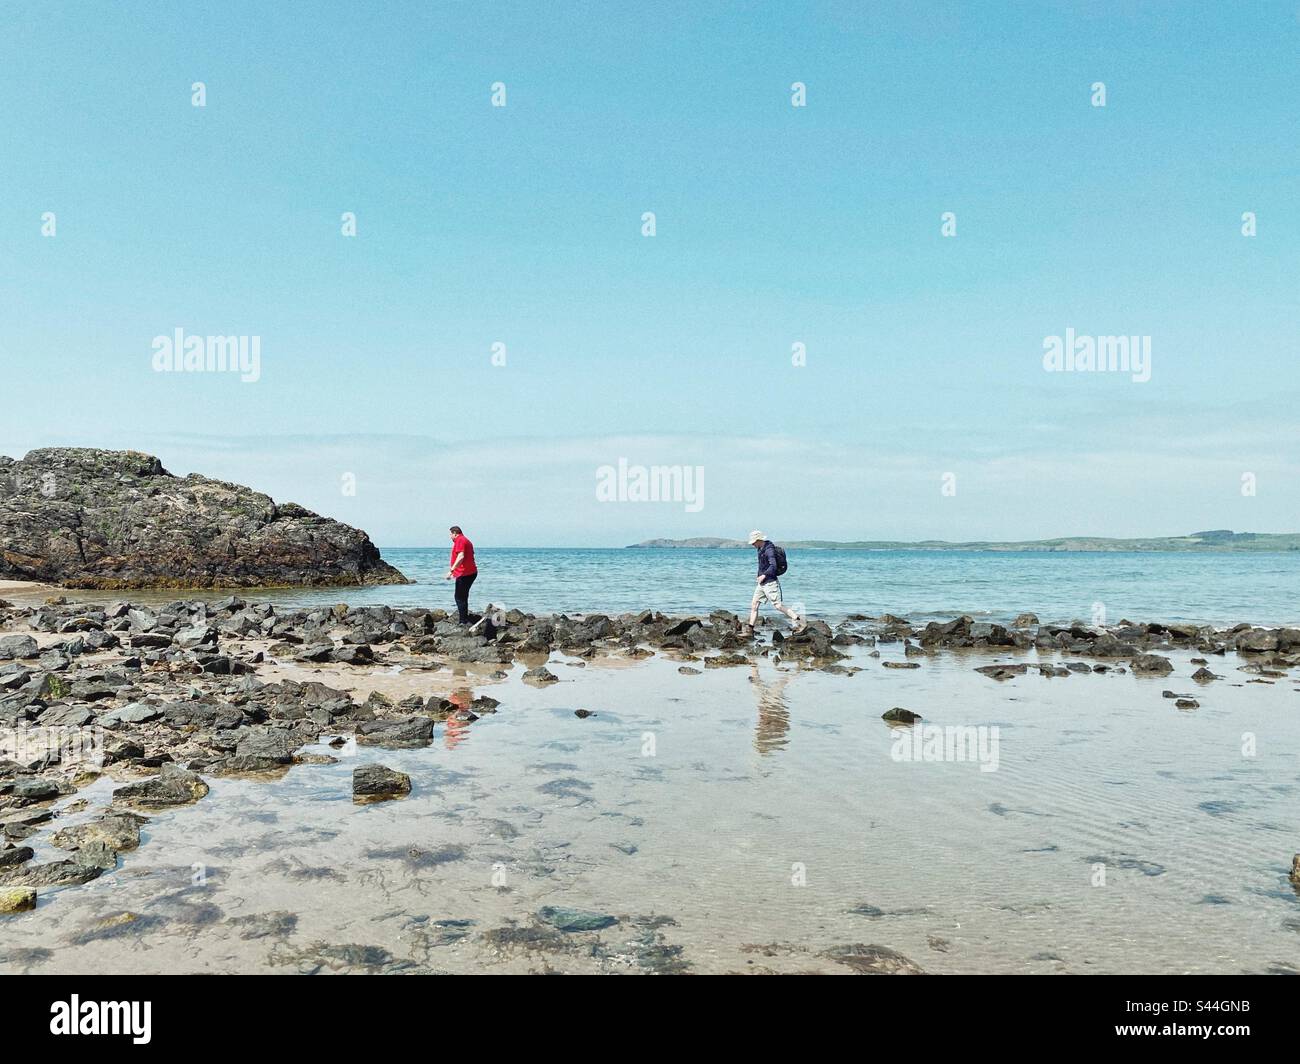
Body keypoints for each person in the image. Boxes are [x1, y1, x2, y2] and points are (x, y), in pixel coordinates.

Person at [745, 530, 803, 632]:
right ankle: (750, 629)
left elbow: (773, 566)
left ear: (759, 540)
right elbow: (763, 565)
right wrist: (760, 575)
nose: (753, 544)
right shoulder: (760, 549)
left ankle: (799, 621)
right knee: (754, 604)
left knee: (778, 606)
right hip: (762, 584)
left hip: (770, 583)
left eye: (754, 542)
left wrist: (764, 575)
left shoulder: (769, 550)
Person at [443, 525, 477, 623]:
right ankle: (464, 618)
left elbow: (461, 556)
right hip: (470, 572)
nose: (450, 537)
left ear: (455, 533)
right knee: (463, 596)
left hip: (465, 574)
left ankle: (463, 621)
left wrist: (451, 570)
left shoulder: (460, 540)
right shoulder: (466, 540)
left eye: (450, 534)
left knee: (459, 597)